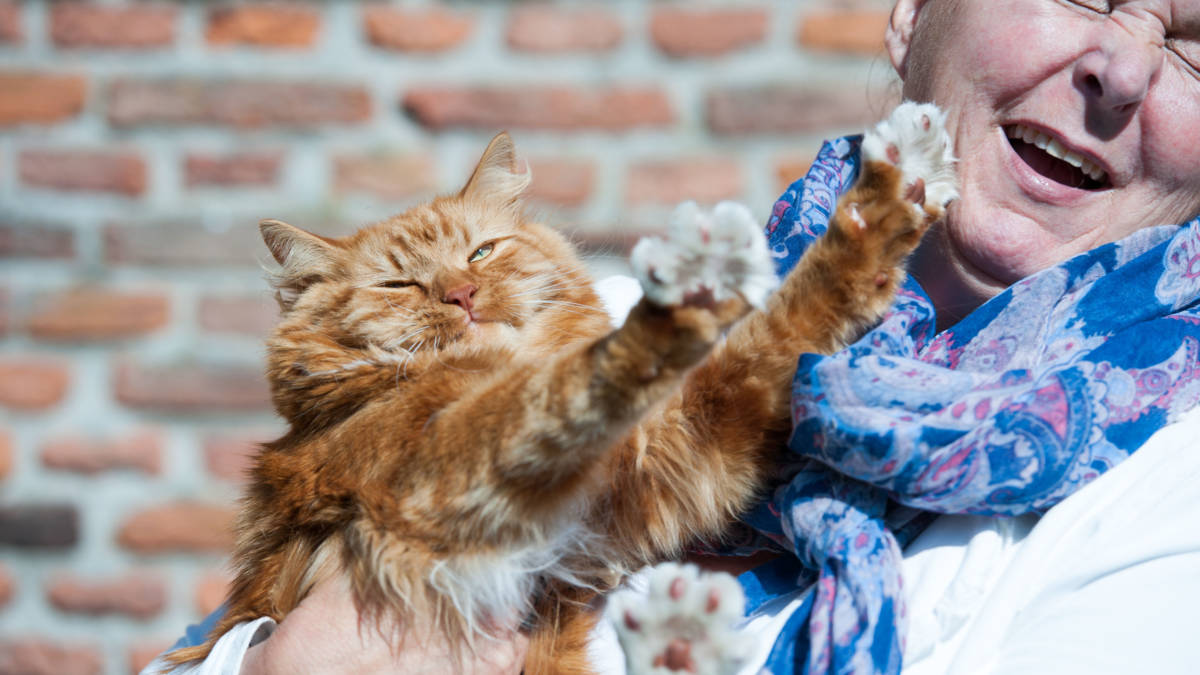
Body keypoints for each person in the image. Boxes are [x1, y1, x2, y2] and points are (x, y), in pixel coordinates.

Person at [146, 0, 1200, 672]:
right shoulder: (604, 319)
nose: (1123, 66)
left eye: (1194, 43)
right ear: (909, 13)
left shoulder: (1171, 499)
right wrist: (270, 663)